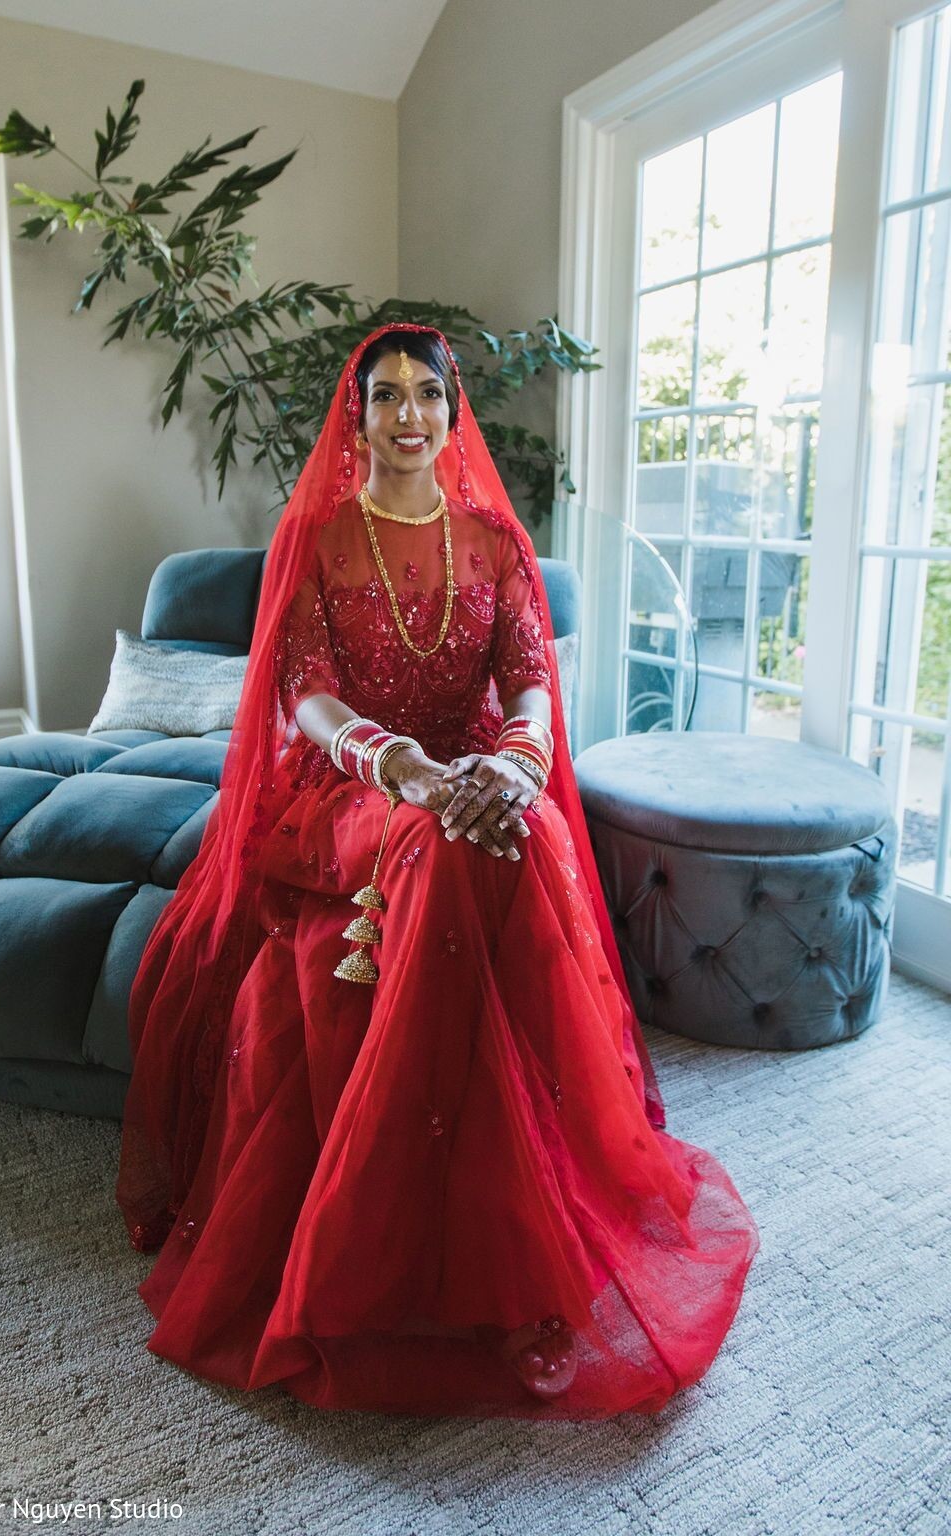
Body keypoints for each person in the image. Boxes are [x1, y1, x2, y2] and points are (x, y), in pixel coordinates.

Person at [115, 322, 759, 1420]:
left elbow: (528, 688)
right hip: (352, 786)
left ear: (452, 415)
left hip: (472, 779)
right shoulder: (313, 539)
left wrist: (514, 768)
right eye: (386, 397)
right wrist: (399, 764)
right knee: (443, 843)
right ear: (355, 417)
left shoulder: (496, 545)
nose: (407, 415)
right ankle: (498, 1282)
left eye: (427, 394)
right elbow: (303, 696)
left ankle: (489, 1252)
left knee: (504, 835)